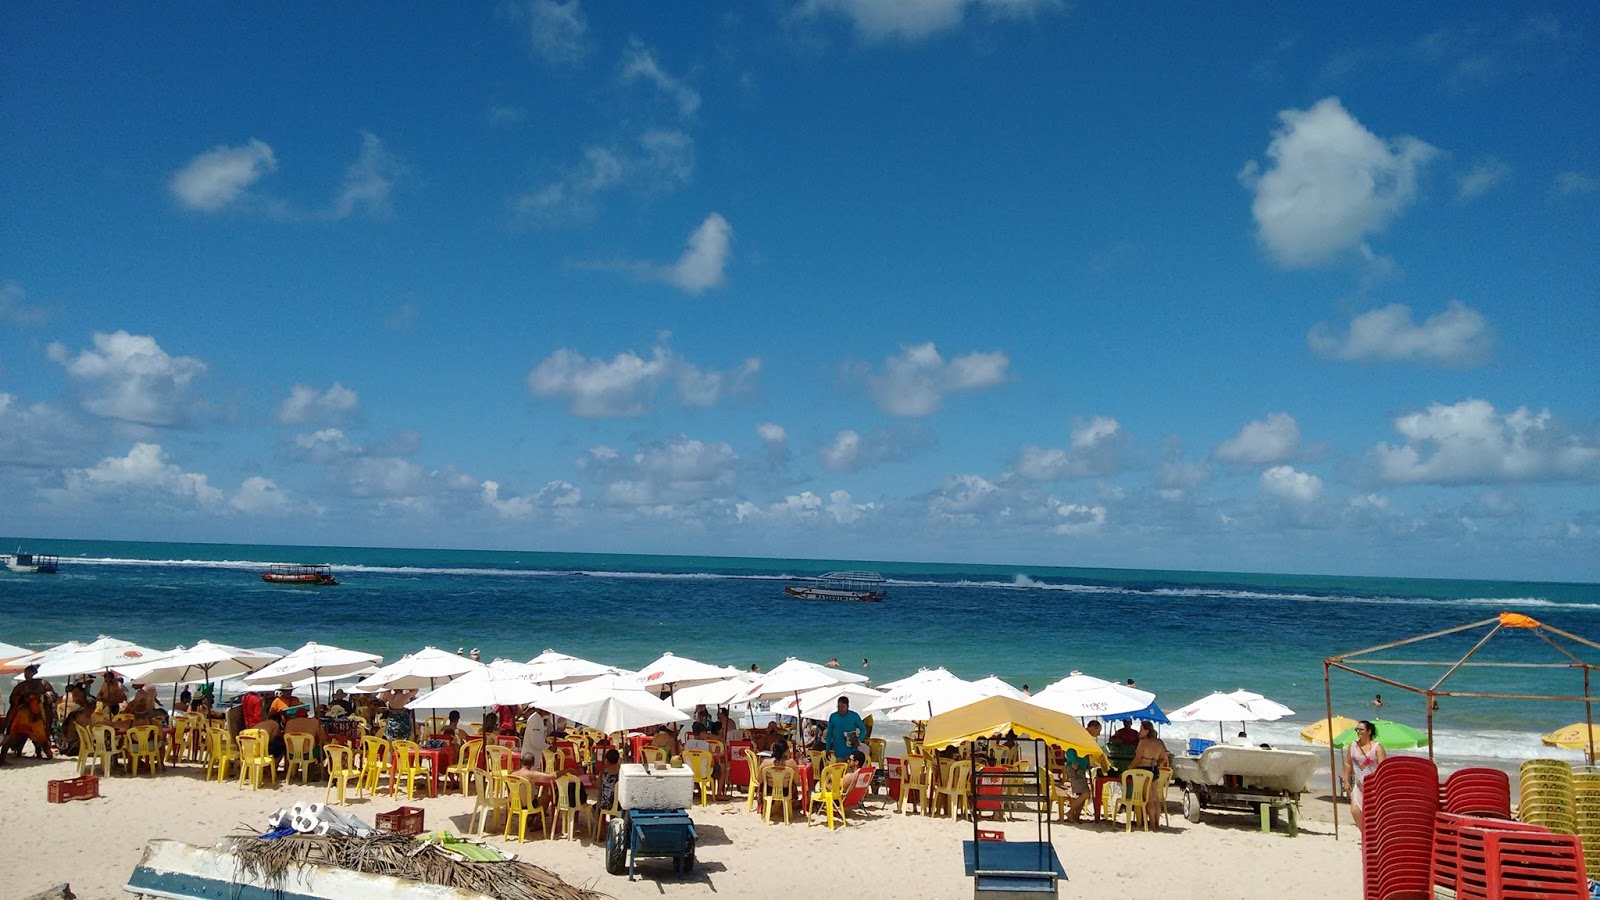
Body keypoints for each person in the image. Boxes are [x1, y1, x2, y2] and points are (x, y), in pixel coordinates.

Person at [1, 665, 53, 763]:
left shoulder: (43, 683)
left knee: (40, 735)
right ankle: (2, 756)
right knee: (11, 734)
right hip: (22, 714)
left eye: (28, 673)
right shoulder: (21, 686)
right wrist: (22, 699)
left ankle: (42, 753)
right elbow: (12, 699)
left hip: (37, 714)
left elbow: (51, 693)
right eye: (25, 673)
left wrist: (48, 696)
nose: (26, 675)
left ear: (34, 673)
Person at [1056, 720, 1102, 822]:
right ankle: (1071, 812)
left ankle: (1075, 816)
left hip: (1081, 767)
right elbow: (1069, 748)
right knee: (1086, 793)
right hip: (1075, 767)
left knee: (1083, 794)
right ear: (1093, 728)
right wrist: (1073, 761)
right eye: (1098, 731)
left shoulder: (1086, 738)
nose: (1098, 734)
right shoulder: (1080, 735)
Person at [1344, 720, 1387, 830]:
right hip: (1358, 786)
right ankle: (1364, 834)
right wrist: (1346, 780)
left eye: (1361, 729)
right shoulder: (1353, 745)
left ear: (1369, 731)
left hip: (1373, 787)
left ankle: (1370, 836)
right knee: (1355, 811)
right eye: (1357, 729)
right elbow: (1348, 763)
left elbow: (1383, 768)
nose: (1358, 731)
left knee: (1372, 815)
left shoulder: (1377, 747)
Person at [1129, 722, 1171, 829]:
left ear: (1147, 731)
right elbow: (1165, 758)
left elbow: (1138, 759)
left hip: (1143, 770)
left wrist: (1129, 769)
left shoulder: (1143, 743)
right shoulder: (1159, 743)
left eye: (1141, 730)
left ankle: (1152, 823)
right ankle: (1156, 822)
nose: (1139, 732)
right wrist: (1156, 762)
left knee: (1148, 798)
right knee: (1155, 798)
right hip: (1154, 769)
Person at [824, 696, 867, 761]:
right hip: (839, 751)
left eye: (843, 707)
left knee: (851, 770)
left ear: (848, 706)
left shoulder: (854, 716)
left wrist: (858, 740)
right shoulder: (833, 717)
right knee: (840, 770)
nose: (840, 709)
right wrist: (827, 749)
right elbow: (829, 734)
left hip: (852, 751)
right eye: (838, 707)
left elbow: (863, 729)